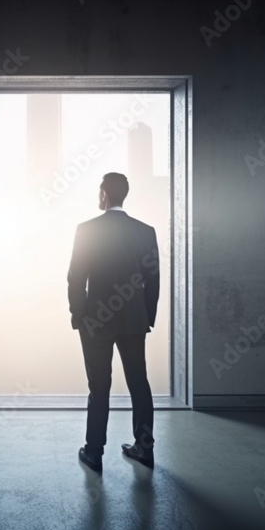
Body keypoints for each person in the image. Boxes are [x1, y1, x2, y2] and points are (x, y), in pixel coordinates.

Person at [68, 172, 160, 473]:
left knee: (99, 387)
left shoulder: (87, 229)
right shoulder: (145, 231)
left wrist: (78, 315)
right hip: (134, 319)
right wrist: (148, 315)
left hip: (96, 320)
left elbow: (76, 277)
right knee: (138, 383)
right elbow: (153, 279)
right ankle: (144, 449)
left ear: (104, 194)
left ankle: (94, 453)